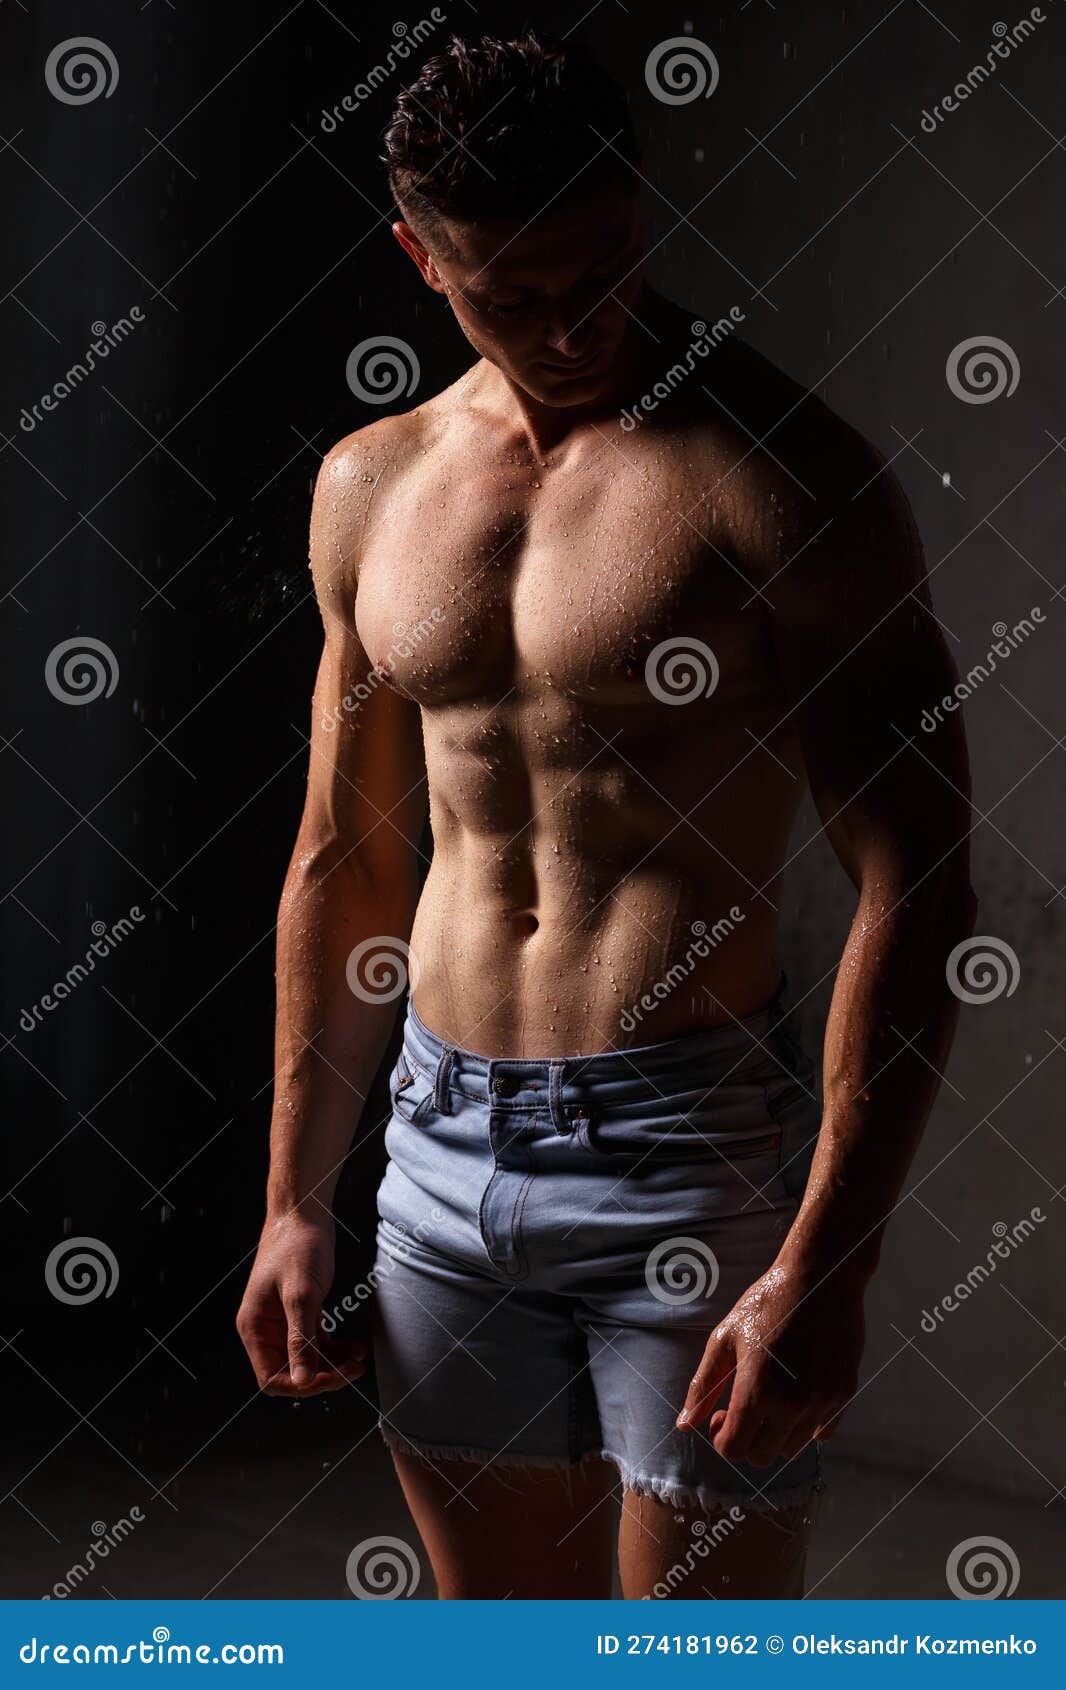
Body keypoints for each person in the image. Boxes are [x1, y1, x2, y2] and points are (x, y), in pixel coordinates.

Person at [236, 31, 975, 1599]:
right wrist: (295, 1197)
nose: (574, 325)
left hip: (680, 1150)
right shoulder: (370, 486)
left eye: (604, 267)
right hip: (436, 1147)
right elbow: (345, 855)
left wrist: (826, 1261)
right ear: (421, 262)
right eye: (512, 293)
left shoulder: (785, 479)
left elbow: (917, 881)